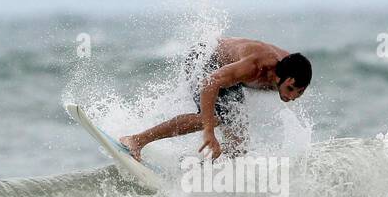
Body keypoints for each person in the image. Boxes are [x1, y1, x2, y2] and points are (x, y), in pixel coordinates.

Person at [119, 37, 311, 161]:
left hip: (229, 76)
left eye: (299, 92)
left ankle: (195, 171)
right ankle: (136, 140)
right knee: (210, 117)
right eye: (290, 89)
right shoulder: (256, 67)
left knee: (239, 144)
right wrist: (209, 131)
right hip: (204, 59)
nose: (292, 96)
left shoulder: (292, 68)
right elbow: (210, 83)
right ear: (279, 76)